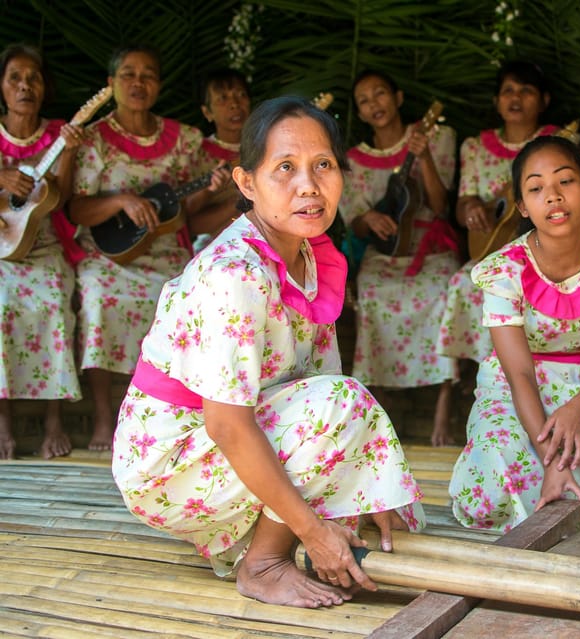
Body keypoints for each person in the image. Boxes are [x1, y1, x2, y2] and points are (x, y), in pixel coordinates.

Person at [112, 96, 425, 608]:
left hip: (235, 438)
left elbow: (318, 383)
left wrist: (366, 477)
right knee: (342, 408)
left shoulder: (307, 253)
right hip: (170, 459)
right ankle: (262, 564)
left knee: (365, 469)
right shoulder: (235, 272)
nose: (309, 185)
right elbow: (229, 424)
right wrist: (316, 533)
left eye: (323, 165)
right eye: (285, 168)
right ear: (246, 184)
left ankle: (264, 536)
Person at [449, 135, 580, 531]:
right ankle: (554, 487)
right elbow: (519, 373)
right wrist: (550, 459)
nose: (553, 197)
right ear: (523, 205)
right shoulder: (503, 270)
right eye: (537, 188)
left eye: (566, 182)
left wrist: (578, 409)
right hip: (516, 389)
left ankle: (575, 497)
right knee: (498, 450)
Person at [69, 44, 231, 451]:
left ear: (158, 84)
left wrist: (210, 189)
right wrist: (121, 201)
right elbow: (77, 207)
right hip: (109, 256)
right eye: (128, 74)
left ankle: (172, 418)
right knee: (98, 296)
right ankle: (107, 416)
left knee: (187, 301)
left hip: (164, 251)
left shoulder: (184, 139)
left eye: (148, 75)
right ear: (111, 84)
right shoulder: (94, 139)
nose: (138, 83)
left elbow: (184, 209)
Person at [437, 60, 557, 447]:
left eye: (525, 90)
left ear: (544, 100)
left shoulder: (559, 141)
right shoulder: (476, 146)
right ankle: (479, 389)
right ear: (496, 100)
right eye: (508, 90)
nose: (515, 98)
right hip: (492, 251)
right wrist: (471, 207)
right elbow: (462, 203)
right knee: (463, 283)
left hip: (547, 254)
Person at [340, 70, 459, 444]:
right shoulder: (352, 161)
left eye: (380, 94)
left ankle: (445, 398)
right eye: (364, 100)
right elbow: (354, 226)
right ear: (359, 113)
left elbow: (440, 207)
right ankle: (379, 402)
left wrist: (423, 159)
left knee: (444, 287)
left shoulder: (437, 138)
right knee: (372, 291)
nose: (374, 104)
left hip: (430, 248)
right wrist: (367, 218)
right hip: (385, 255)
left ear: (399, 97)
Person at [0, 44, 84, 459]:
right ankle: (3, 422)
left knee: (54, 303)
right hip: (0, 245)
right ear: (1, 86)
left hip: (46, 244)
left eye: (33, 78)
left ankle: (54, 419)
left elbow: (64, 197)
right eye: (15, 77)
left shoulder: (56, 134)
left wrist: (67, 153)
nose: (25, 85)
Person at [189, 67, 251, 250]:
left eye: (241, 95)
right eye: (223, 98)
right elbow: (192, 224)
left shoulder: (266, 147)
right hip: (217, 251)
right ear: (207, 112)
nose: (234, 104)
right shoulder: (197, 154)